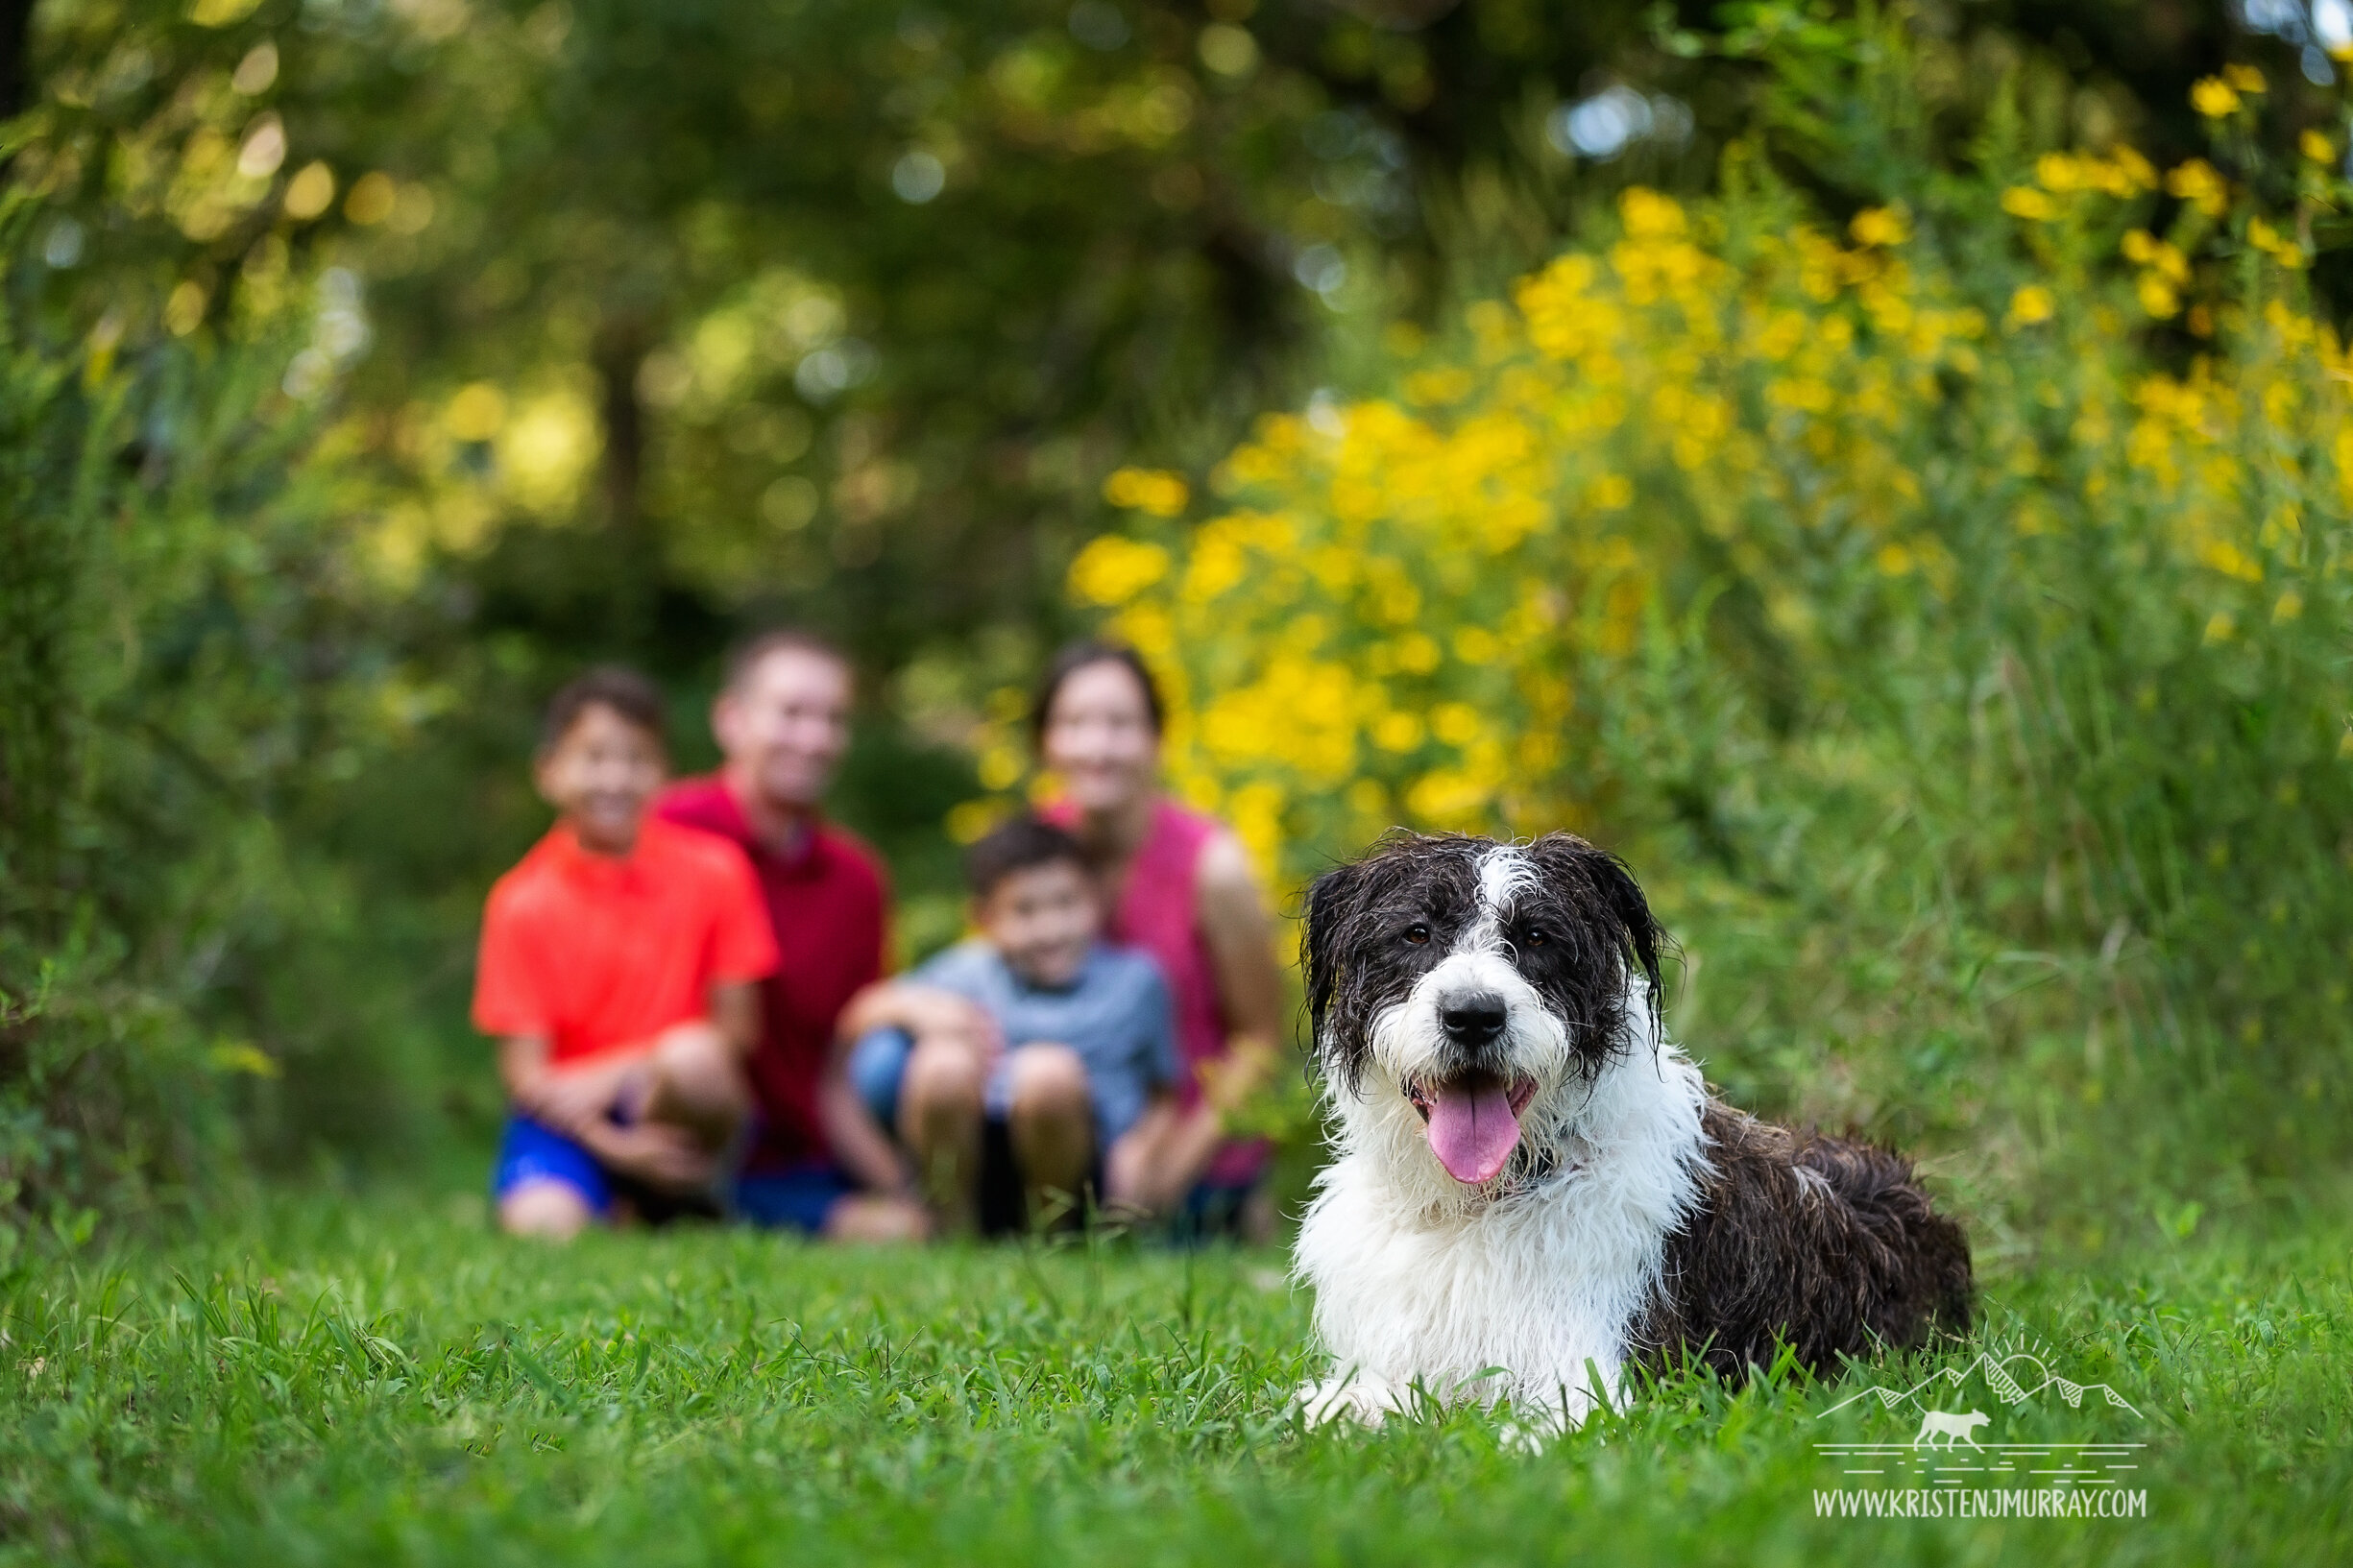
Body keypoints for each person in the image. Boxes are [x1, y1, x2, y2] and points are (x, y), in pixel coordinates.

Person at [474, 667, 778, 1241]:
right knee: (542, 1229)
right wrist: (617, 1148)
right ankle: (620, 1199)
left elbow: (737, 1032)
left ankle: (682, 1195)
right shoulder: (520, 902)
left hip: (670, 1096)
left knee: (696, 1057)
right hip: (570, 1122)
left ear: (662, 774)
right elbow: (525, 1073)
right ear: (548, 773)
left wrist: (612, 1075)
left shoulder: (718, 872)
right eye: (592, 758)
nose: (614, 779)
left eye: (636, 759)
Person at [654, 630, 929, 1241]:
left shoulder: (857, 879)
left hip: (797, 1162)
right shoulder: (665, 832)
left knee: (897, 1231)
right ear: (731, 720)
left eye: (832, 719)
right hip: (666, 1137)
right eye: (792, 714)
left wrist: (902, 1190)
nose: (814, 738)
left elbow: (839, 1069)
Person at [1032, 639, 1287, 1240]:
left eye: (1120, 725)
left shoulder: (1214, 868)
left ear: (1156, 739)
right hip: (1063, 1140)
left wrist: (1171, 1170)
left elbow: (1259, 1041)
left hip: (1191, 1154)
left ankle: (1234, 1211)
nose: (1097, 748)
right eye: (1074, 724)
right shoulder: (1035, 849)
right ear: (1045, 742)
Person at [836, 816, 1187, 1233]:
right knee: (942, 1064)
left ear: (1095, 901)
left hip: (1084, 1169)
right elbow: (861, 1013)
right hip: (981, 1158)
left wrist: (1143, 1147)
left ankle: (1053, 1235)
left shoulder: (1136, 981)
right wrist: (919, 1008)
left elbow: (1163, 1095)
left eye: (1066, 903)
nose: (1050, 929)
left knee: (1046, 1072)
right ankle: (949, 1229)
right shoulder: (970, 971)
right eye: (1024, 910)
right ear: (985, 918)